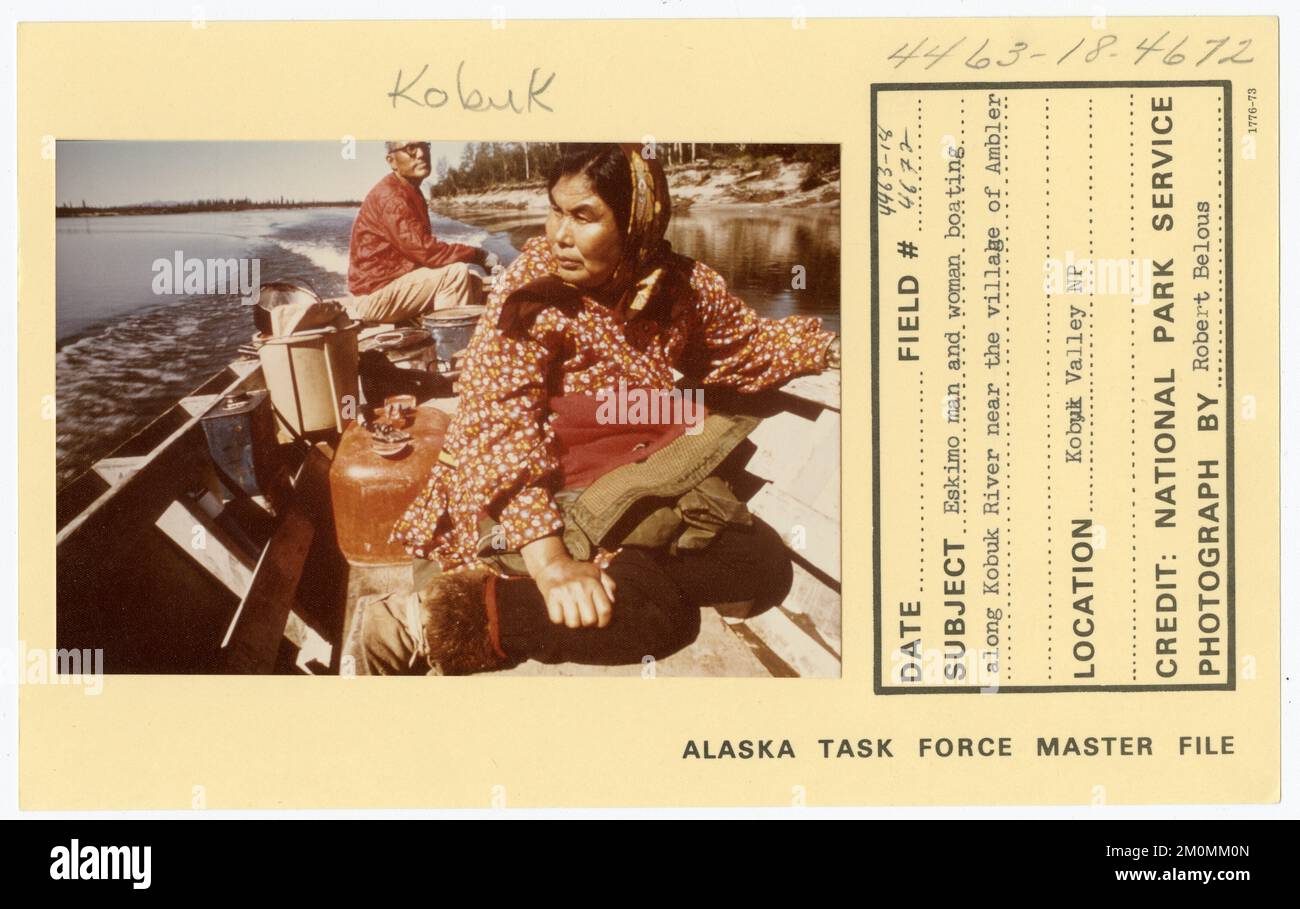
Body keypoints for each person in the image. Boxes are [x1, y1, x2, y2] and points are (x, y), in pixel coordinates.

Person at [363, 143, 841, 675]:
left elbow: (738, 348)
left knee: (762, 568)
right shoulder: (530, 295)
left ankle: (631, 576)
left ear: (637, 226)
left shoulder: (680, 286)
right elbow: (499, 432)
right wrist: (551, 566)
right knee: (658, 619)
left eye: (583, 216)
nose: (559, 235)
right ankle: (425, 620)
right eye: (555, 211)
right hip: (527, 492)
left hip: (622, 475)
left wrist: (825, 350)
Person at [344, 140, 501, 324]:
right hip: (372, 297)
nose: (421, 154)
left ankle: (454, 335)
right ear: (392, 161)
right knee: (455, 275)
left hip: (392, 285)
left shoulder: (410, 190)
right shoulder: (392, 197)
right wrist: (479, 255)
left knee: (472, 279)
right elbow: (426, 252)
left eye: (424, 147)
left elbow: (420, 252)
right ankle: (448, 347)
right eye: (410, 149)